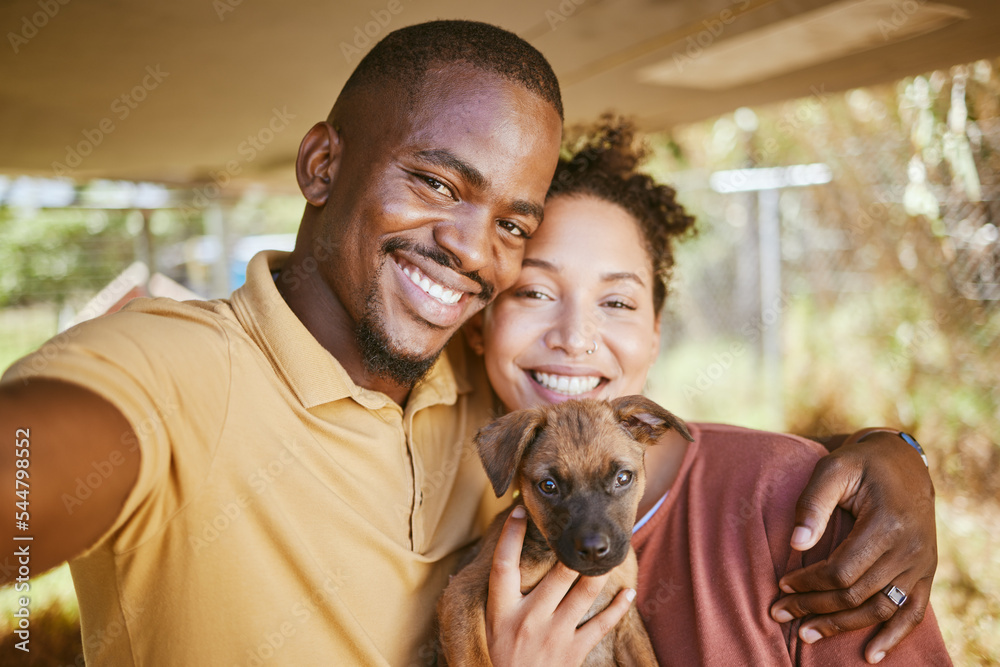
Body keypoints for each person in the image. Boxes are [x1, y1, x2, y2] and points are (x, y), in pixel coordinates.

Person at [0, 21, 934, 665]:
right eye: (439, 183)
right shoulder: (175, 369)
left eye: (512, 224)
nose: (468, 247)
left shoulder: (495, 399)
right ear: (323, 164)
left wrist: (893, 450)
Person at [465, 117, 949, 665]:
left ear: (656, 331)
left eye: (617, 301)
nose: (574, 338)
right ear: (480, 322)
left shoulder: (803, 504)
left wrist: (901, 450)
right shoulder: (481, 481)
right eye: (533, 291)